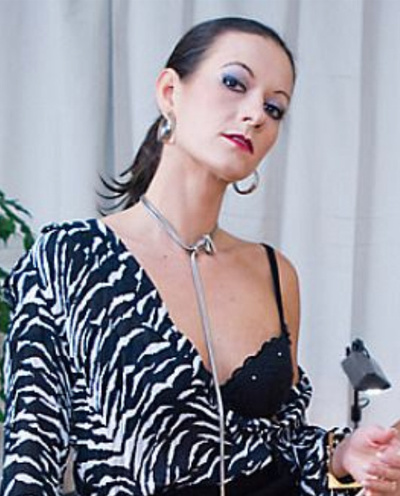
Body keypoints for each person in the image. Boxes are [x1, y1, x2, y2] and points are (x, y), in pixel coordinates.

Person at [1, 16, 399, 496]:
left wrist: (342, 455)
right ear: (170, 91)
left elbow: (283, 444)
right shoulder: (69, 258)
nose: (255, 115)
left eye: (274, 108)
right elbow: (29, 462)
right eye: (234, 83)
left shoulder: (275, 274)